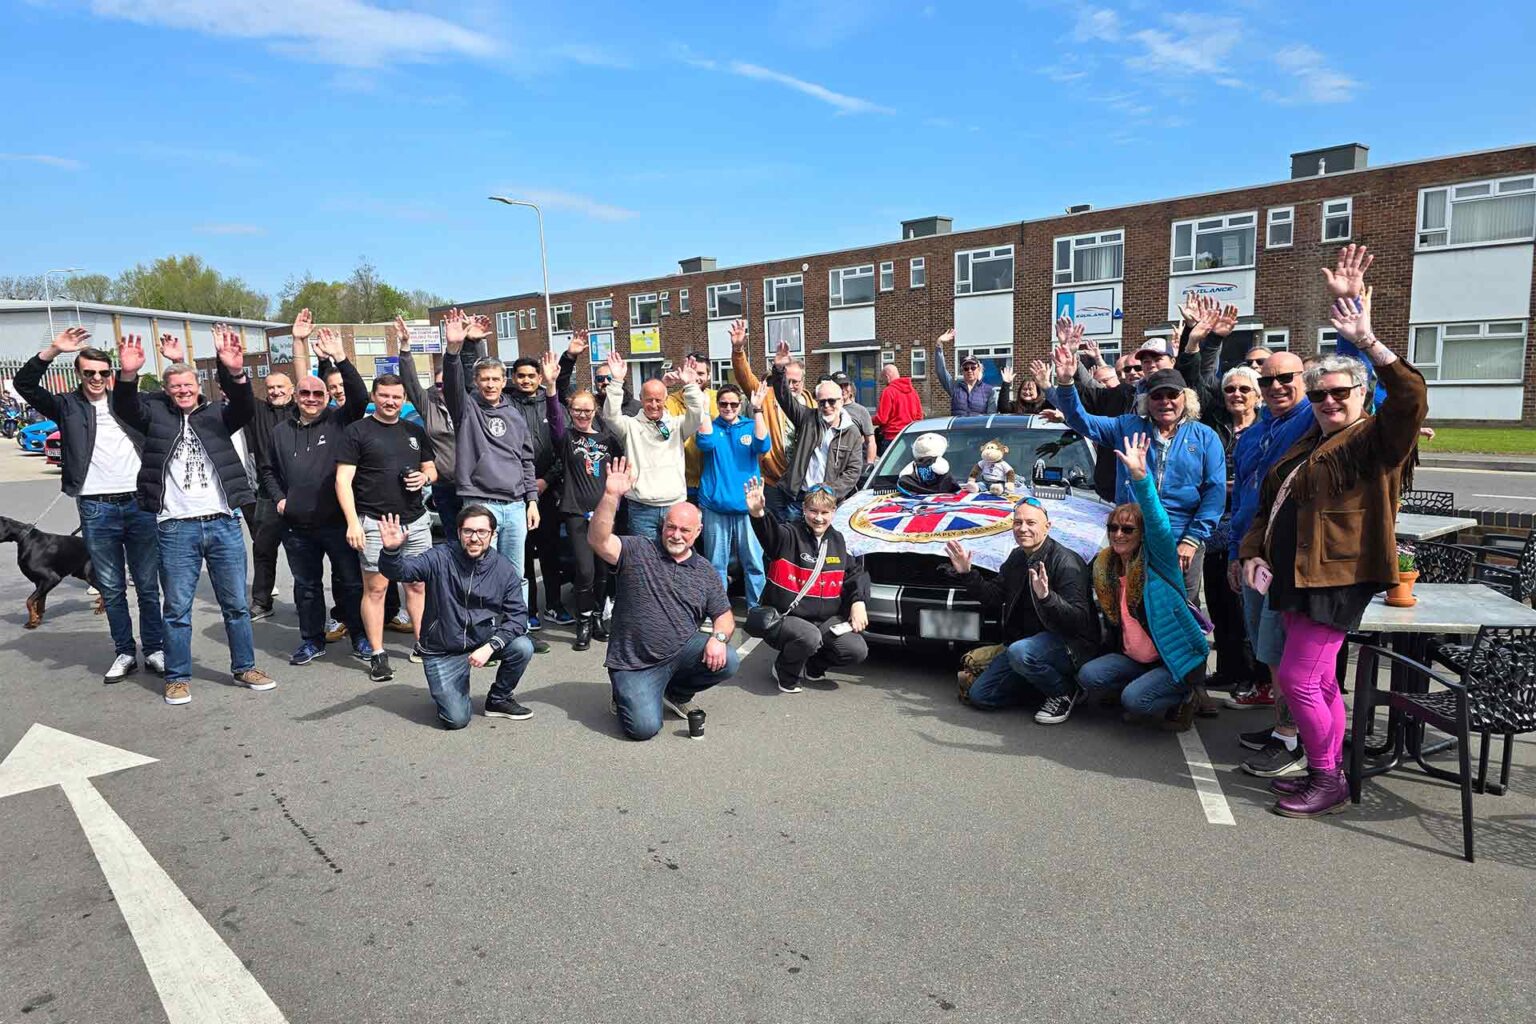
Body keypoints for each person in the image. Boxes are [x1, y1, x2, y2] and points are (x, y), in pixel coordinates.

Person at [1240, 287, 1427, 818]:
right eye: (1319, 394)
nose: (1328, 401)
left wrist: (1368, 340)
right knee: (1319, 681)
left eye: (1339, 393)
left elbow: (1412, 397)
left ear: (1362, 394)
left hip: (1337, 578)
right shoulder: (1310, 442)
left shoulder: (1376, 439)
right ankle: (1329, 771)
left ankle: (1326, 778)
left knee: (1299, 679)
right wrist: (1254, 553)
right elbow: (1268, 506)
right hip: (1294, 575)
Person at [111, 327, 276, 705]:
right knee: (178, 609)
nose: (183, 390)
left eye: (188, 384)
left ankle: (244, 666)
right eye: (176, 386)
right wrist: (128, 374)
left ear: (198, 386)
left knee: (236, 604)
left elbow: (245, 406)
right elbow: (125, 407)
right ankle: (178, 677)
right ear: (167, 391)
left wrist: (234, 371)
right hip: (176, 529)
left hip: (223, 524)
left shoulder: (218, 414)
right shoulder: (155, 416)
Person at [14, 326, 165, 684]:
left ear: (111, 374)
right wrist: (52, 349)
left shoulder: (129, 403)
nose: (96, 379)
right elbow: (25, 386)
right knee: (110, 586)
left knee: (145, 583)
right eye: (89, 373)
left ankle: (155, 648)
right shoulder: (67, 405)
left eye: (103, 372)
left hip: (138, 503)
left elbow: (178, 396)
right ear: (79, 374)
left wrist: (161, 365)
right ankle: (125, 652)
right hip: (96, 508)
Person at [1049, 344, 1225, 601]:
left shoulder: (1205, 436)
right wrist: (1065, 384)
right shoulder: (1127, 426)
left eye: (1172, 395)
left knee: (1182, 613)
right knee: (1131, 611)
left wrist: (1193, 538)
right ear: (1146, 401)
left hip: (1182, 540)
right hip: (1133, 537)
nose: (1165, 401)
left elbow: (1214, 492)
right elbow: (1081, 420)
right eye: (1157, 396)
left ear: (1185, 398)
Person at [589, 457, 740, 741]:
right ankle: (623, 691)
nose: (676, 534)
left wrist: (718, 639)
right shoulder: (637, 550)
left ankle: (676, 692)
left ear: (697, 533)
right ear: (662, 526)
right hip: (634, 661)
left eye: (685, 530)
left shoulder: (705, 571)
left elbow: (725, 616)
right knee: (643, 729)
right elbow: (599, 540)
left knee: (729, 659)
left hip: (681, 652)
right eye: (671, 527)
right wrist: (611, 496)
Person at [1223, 350, 1316, 776]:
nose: (1276, 387)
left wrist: (1356, 322)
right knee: (1268, 651)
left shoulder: (1307, 420)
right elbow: (1243, 500)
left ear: (1305, 379)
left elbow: (1356, 385)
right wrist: (1234, 553)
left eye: (1286, 379)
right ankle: (1283, 732)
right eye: (1268, 381)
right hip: (1251, 554)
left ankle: (1295, 742)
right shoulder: (1256, 432)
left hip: (1284, 559)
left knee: (1282, 652)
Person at [1077, 434, 1210, 729]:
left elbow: (1159, 522)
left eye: (1128, 529)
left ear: (1141, 534)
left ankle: (1187, 694)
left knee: (1135, 702)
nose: (1119, 534)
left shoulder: (1158, 561)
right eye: (1113, 528)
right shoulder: (1106, 565)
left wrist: (1140, 477)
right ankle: (1140, 682)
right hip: (1136, 658)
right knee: (1089, 675)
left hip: (1173, 658)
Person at [438, 309, 549, 656]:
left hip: (515, 505)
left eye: (495, 379)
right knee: (478, 571)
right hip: (479, 502)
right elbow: (454, 385)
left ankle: (515, 634)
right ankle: (478, 635)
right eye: (483, 379)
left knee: (515, 574)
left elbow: (526, 461)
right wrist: (455, 349)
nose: (489, 384)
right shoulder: (467, 409)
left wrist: (531, 500)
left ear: (505, 382)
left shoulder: (514, 415)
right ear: (478, 382)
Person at [260, 328, 370, 666]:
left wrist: (340, 357)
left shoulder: (340, 422)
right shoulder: (280, 432)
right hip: (297, 526)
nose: (311, 398)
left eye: (317, 394)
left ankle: (360, 635)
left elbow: (360, 395)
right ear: (296, 396)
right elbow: (267, 471)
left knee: (349, 583)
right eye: (305, 393)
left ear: (326, 399)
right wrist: (280, 499)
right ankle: (312, 640)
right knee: (306, 587)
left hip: (337, 522)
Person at [377, 506, 536, 729]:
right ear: (459, 532)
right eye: (468, 531)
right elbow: (402, 571)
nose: (474, 538)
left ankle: (499, 699)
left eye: (482, 532)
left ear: (493, 535)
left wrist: (490, 647)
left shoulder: (503, 568)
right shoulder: (440, 556)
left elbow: (518, 617)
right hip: (442, 648)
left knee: (523, 647)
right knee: (456, 720)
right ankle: (452, 688)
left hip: (480, 640)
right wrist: (392, 552)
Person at [943, 496, 1098, 723]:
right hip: (1025, 644)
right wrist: (967, 575)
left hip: (1068, 645)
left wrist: (1047, 597)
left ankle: (1064, 691)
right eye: (1018, 522)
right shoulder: (1018, 556)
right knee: (980, 696)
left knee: (1020, 653)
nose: (1023, 528)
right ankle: (1039, 685)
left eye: (1031, 523)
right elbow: (994, 597)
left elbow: (1078, 623)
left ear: (1047, 527)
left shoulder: (1066, 562)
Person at [336, 371, 439, 683]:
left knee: (418, 585)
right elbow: (343, 480)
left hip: (416, 521)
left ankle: (423, 645)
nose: (391, 401)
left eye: (396, 397)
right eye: (384, 396)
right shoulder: (357, 431)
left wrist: (425, 478)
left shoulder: (414, 430)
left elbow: (432, 468)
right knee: (377, 588)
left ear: (404, 399)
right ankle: (378, 653)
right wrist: (352, 522)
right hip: (374, 522)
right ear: (374, 397)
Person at [744, 477, 869, 692]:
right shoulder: (789, 535)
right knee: (809, 636)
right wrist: (758, 513)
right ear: (804, 509)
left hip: (824, 620)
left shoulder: (838, 540)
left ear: (833, 512)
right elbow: (769, 533)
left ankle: (812, 666)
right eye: (813, 511)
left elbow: (854, 574)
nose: (818, 518)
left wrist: (859, 602)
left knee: (856, 649)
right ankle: (784, 672)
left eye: (824, 512)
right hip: (786, 619)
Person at [545, 349, 625, 650]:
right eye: (576, 410)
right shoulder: (566, 437)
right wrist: (552, 389)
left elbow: (622, 467)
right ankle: (583, 622)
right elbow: (554, 422)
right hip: (576, 511)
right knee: (585, 569)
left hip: (605, 513)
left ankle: (598, 620)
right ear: (571, 410)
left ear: (595, 410)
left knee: (604, 570)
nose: (581, 414)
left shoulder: (607, 440)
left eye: (586, 410)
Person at [602, 351, 708, 539]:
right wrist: (616, 382)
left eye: (658, 400)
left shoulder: (677, 425)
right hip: (641, 508)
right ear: (641, 400)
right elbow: (610, 416)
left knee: (674, 561)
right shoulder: (630, 425)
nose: (653, 404)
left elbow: (697, 416)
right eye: (649, 399)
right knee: (645, 562)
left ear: (665, 400)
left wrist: (690, 386)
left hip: (674, 505)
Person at [503, 348, 572, 629]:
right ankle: (529, 609)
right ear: (514, 378)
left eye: (532, 376)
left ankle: (554, 604)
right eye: (521, 376)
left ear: (539, 377)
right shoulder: (506, 404)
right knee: (523, 555)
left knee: (550, 551)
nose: (526, 381)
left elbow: (562, 448)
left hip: (548, 490)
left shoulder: (552, 403)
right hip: (517, 492)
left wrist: (546, 480)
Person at [1203, 365, 1261, 698]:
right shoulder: (1217, 428)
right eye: (1230, 389)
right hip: (1215, 526)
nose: (1236, 395)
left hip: (1247, 526)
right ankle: (1226, 669)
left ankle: (1250, 675)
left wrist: (1237, 487)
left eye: (1244, 389)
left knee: (1243, 609)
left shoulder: (1266, 428)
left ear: (1256, 395)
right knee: (1219, 603)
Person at [768, 341, 866, 521]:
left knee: (824, 547)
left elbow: (853, 471)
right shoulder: (807, 418)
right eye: (822, 402)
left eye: (832, 401)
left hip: (829, 503)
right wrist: (779, 369)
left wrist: (827, 492)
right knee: (795, 545)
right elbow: (784, 398)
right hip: (798, 499)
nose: (827, 406)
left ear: (842, 400)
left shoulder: (851, 432)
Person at [696, 382, 771, 608]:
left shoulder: (749, 425)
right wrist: (703, 408)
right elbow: (705, 443)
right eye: (723, 404)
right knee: (716, 565)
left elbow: (763, 445)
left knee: (754, 563)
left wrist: (757, 409)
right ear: (717, 404)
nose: (728, 408)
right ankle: (719, 610)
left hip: (747, 508)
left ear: (741, 405)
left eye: (733, 404)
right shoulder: (711, 426)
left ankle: (756, 609)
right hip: (715, 507)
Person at [394, 314, 468, 533]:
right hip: (444, 485)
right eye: (438, 384)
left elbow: (474, 374)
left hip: (473, 485)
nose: (442, 388)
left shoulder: (467, 404)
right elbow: (411, 383)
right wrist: (405, 348)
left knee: (476, 539)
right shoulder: (428, 404)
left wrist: (468, 343)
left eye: (446, 383)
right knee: (453, 540)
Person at [730, 324, 813, 515]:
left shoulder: (813, 404)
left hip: (803, 483)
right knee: (776, 534)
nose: (790, 386)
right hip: (774, 479)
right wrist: (738, 350)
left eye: (795, 382)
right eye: (787, 380)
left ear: (803, 381)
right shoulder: (767, 395)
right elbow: (745, 378)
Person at [241, 344, 295, 620]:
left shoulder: (302, 409)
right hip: (266, 492)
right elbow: (238, 391)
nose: (275, 391)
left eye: (281, 387)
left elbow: (317, 384)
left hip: (300, 492)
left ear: (292, 389)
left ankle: (308, 604)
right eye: (270, 387)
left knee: (304, 553)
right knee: (263, 548)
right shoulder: (258, 412)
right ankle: (262, 601)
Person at [557, 332, 639, 419]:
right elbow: (562, 388)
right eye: (600, 378)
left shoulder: (636, 408)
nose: (605, 382)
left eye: (610, 378)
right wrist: (569, 357)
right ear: (595, 382)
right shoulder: (588, 406)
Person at [933, 329, 997, 415]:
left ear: (979, 369)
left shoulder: (989, 391)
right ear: (962, 371)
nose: (969, 370)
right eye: (966, 368)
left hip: (978, 428)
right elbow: (941, 371)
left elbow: (990, 417)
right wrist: (939, 343)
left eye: (973, 367)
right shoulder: (955, 387)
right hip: (958, 428)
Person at [872, 361, 923, 452]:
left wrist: (869, 420)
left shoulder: (888, 391)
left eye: (883, 380)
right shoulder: (913, 391)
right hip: (910, 436)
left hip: (892, 438)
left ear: (887, 377)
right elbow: (919, 416)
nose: (883, 383)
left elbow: (882, 419)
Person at [830, 371, 878, 465]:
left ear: (851, 387)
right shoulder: (826, 409)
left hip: (853, 463)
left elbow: (870, 442)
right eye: (839, 386)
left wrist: (869, 465)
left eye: (846, 385)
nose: (843, 389)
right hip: (830, 463)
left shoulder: (861, 411)